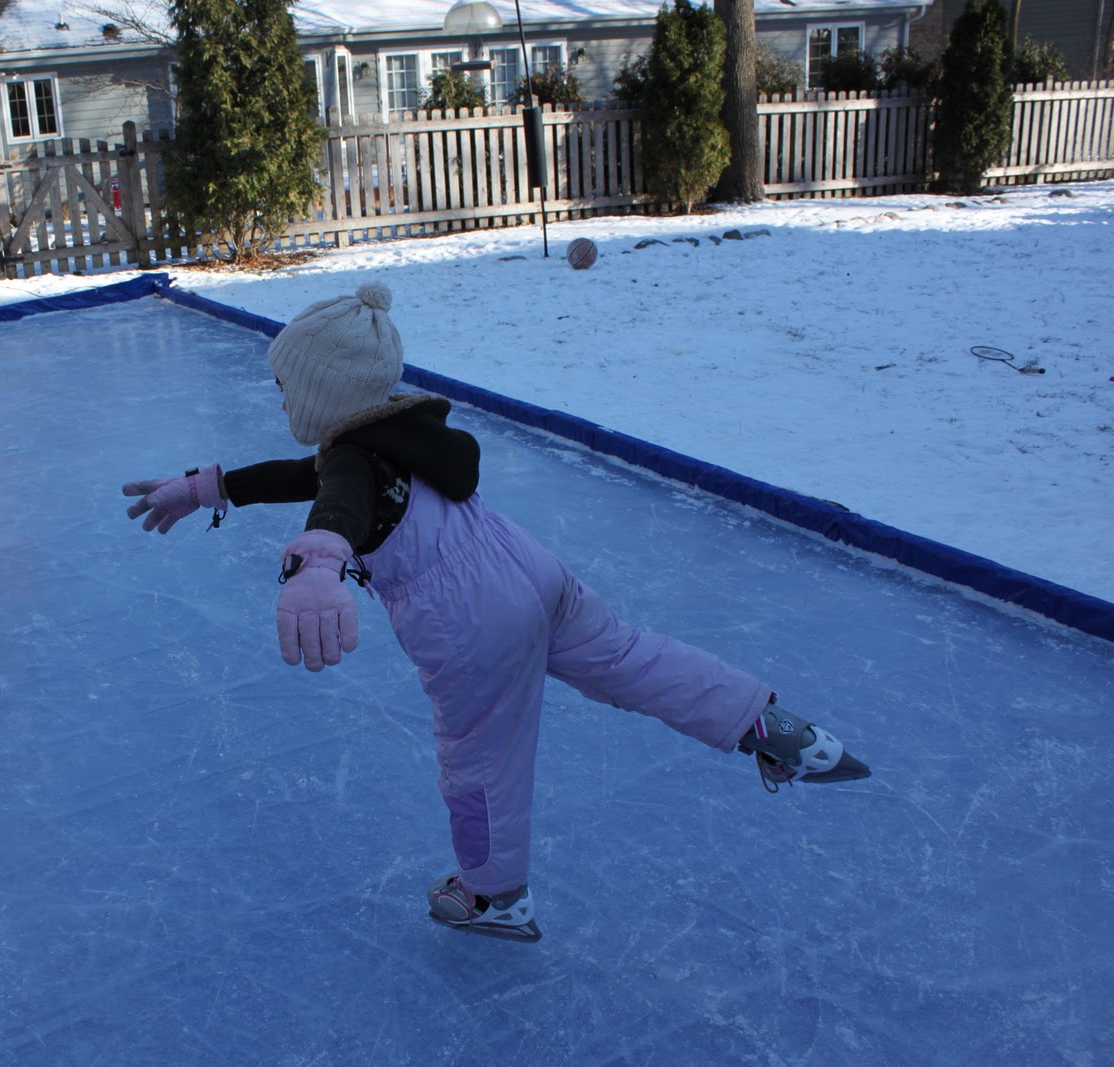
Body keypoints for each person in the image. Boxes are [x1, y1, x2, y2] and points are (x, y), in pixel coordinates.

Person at [122, 282, 869, 943]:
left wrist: (319, 561)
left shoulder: (352, 461)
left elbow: (336, 500)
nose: (282, 400)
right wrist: (212, 485)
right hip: (532, 571)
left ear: (325, 391)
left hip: (469, 622)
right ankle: (765, 724)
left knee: (480, 763)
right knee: (629, 657)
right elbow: (311, 475)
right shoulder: (402, 430)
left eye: (287, 386)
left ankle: (492, 896)